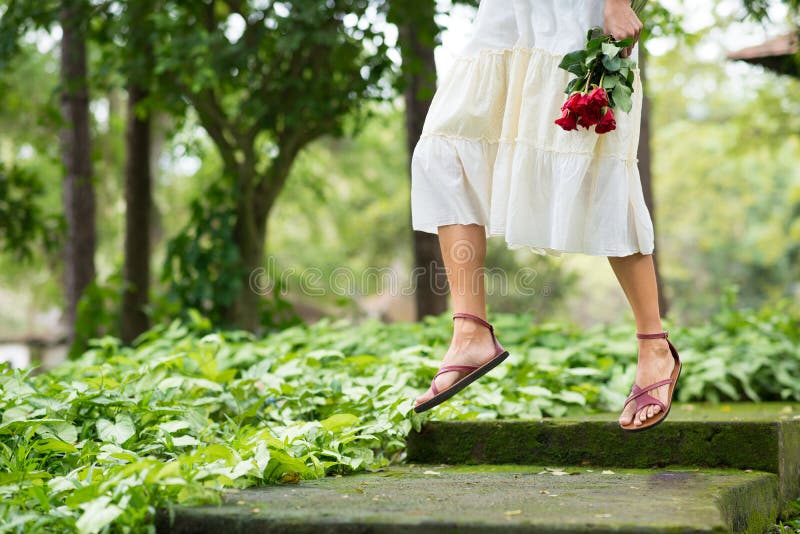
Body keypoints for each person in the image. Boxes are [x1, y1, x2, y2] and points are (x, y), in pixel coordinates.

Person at [410, 0, 681, 432]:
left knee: (599, 163)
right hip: (508, 11)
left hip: (578, 12)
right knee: (446, 142)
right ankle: (470, 332)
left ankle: (654, 346)